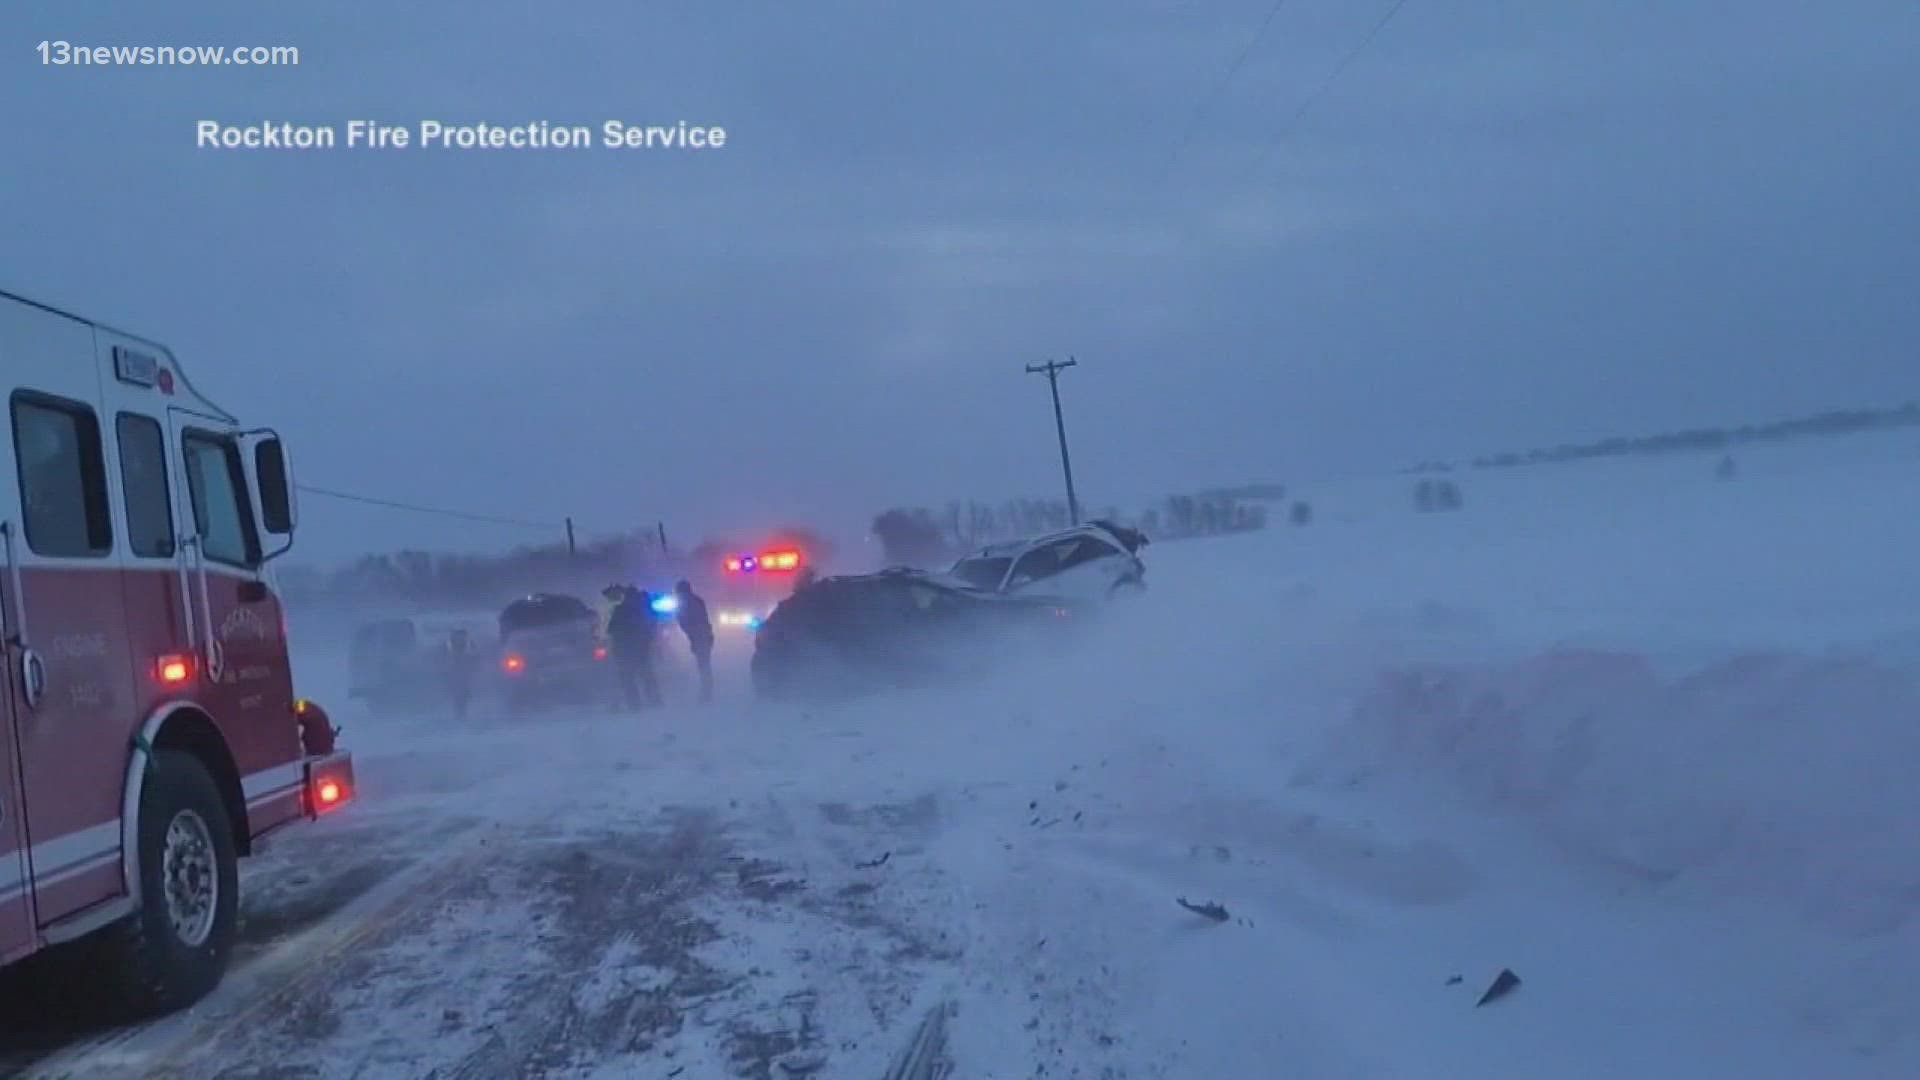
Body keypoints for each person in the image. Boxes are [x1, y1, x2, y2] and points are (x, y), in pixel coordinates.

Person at [603, 584, 662, 709]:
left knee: (627, 677)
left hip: (626, 649)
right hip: (642, 647)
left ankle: (634, 704)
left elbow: (612, 630)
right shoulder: (643, 609)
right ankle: (655, 701)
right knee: (647, 675)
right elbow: (652, 626)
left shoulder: (621, 610)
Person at [673, 579, 715, 702]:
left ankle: (706, 693)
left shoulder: (686, 603)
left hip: (699, 636)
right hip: (703, 635)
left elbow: (684, 621)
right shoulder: (696, 600)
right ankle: (706, 692)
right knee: (704, 664)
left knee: (703, 665)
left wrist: (691, 633)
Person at [443, 628, 478, 719]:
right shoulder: (447, 647)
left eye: (462, 637)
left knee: (463, 695)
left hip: (465, 675)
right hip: (454, 675)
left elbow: (476, 658)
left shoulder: (471, 646)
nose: (460, 639)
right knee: (457, 695)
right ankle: (459, 713)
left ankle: (462, 713)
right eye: (458, 637)